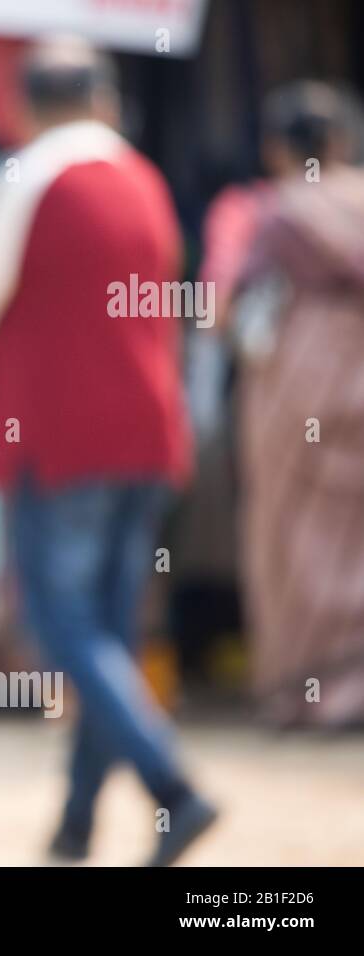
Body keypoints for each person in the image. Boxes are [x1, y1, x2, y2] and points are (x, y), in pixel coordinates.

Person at [0, 37, 217, 866]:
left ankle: (173, 788)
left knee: (64, 627)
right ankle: (76, 825)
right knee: (106, 632)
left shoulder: (28, 179)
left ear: (26, 108)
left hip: (59, 437)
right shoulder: (145, 181)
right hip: (149, 435)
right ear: (108, 101)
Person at [229, 81, 364, 729]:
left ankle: (312, 692)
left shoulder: (283, 210)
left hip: (302, 381)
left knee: (297, 532)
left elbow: (234, 301)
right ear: (341, 140)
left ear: (279, 149)